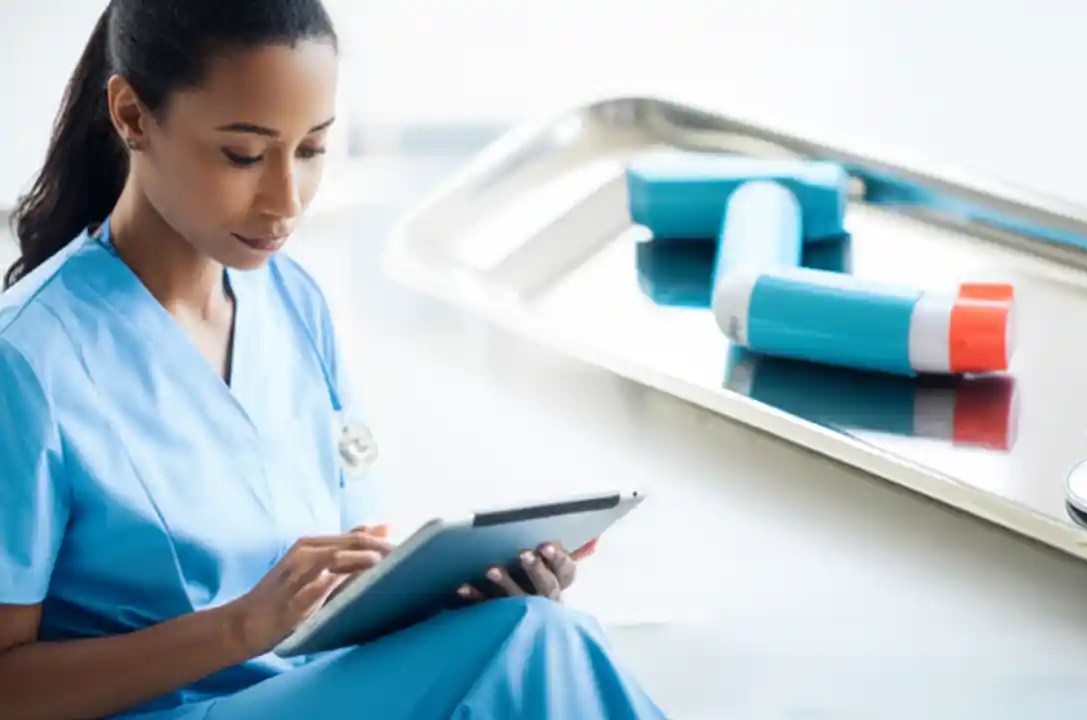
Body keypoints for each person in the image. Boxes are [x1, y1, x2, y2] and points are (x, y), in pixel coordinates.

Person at [0, 1, 667, 718]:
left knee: (528, 628)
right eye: (244, 155)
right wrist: (239, 628)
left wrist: (459, 597)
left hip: (314, 691)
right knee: (535, 645)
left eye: (312, 149)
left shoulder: (292, 302)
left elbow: (348, 570)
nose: (286, 201)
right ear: (132, 116)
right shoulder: (30, 359)